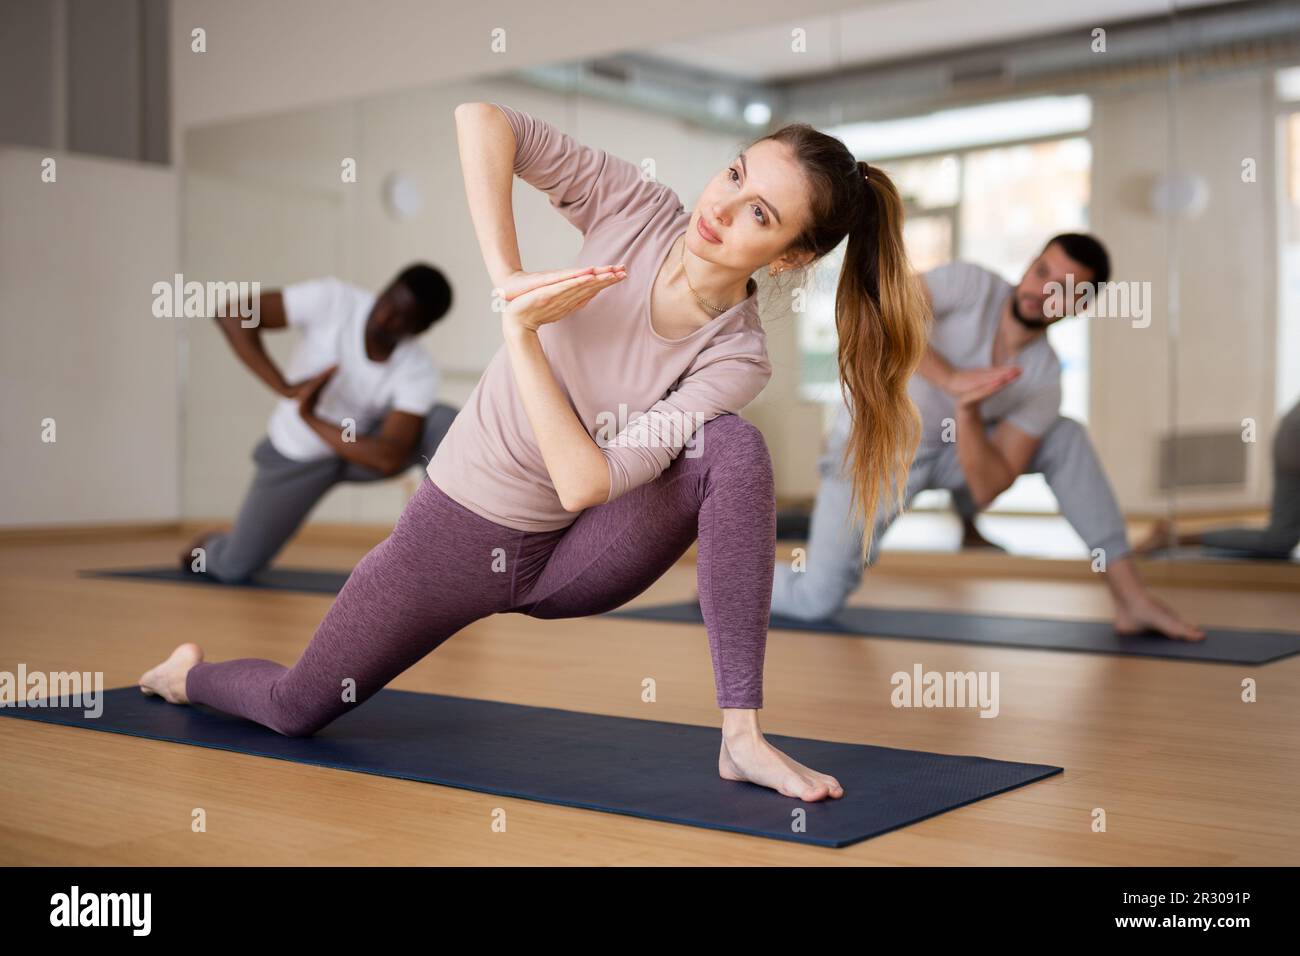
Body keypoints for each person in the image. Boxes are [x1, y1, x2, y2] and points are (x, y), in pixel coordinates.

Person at [142, 101, 931, 802]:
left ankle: (741, 736)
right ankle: (187, 675)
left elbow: (586, 483)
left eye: (760, 213)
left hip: (574, 556)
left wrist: (519, 332)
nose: (721, 208)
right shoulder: (636, 208)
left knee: (734, 448)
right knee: (294, 711)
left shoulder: (736, 357)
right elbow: (483, 120)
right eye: (733, 173)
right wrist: (509, 280)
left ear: (790, 256)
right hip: (450, 534)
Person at [772, 235, 1207, 642]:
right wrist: (954, 380)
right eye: (1042, 272)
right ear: (1029, 267)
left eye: (1063, 289)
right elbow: (884, 314)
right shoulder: (971, 285)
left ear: (1079, 306)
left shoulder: (1044, 379)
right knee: (818, 598)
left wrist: (968, 411)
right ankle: (729, 572)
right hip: (875, 451)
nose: (1041, 290)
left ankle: (1131, 596)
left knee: (1064, 436)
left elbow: (987, 486)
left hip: (947, 454)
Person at [180, 264, 457, 583]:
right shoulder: (334, 301)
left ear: (420, 328)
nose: (384, 317)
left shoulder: (417, 367)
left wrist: (312, 417)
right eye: (387, 302)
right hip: (299, 456)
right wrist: (283, 387)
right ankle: (212, 545)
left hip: (360, 453)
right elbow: (234, 315)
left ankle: (441, 551)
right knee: (234, 567)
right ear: (385, 289)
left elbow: (387, 458)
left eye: (401, 317)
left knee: (443, 420)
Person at [1135, 397, 1300, 559]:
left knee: (1278, 541)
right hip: (1294, 434)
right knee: (1279, 539)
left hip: (1290, 431)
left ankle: (1174, 537)